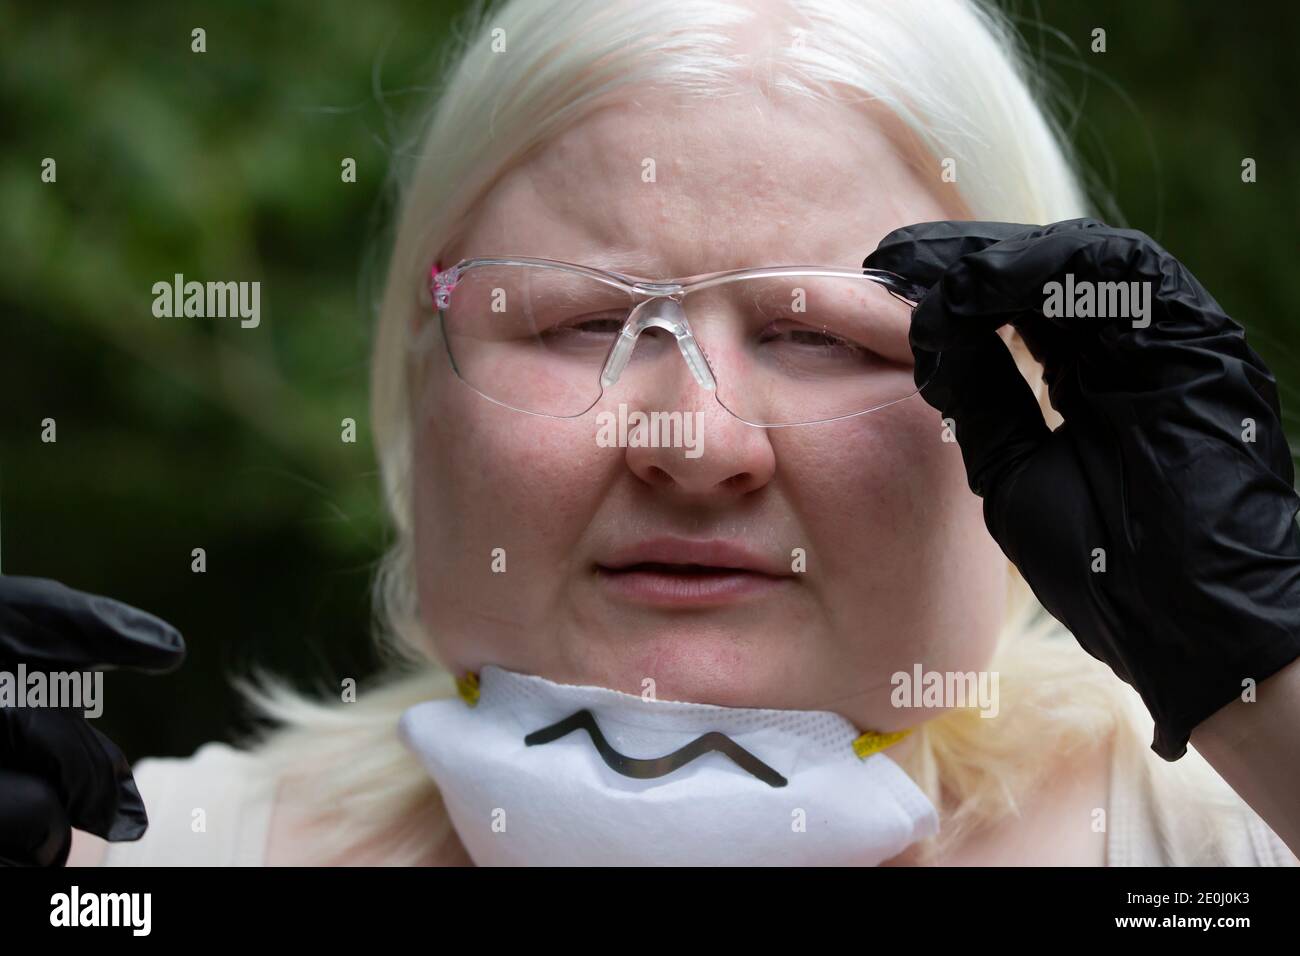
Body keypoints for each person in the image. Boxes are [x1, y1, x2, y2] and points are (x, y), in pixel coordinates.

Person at [7, 0, 1296, 866]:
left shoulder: (1220, 843)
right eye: (574, 322)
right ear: (418, 377)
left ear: (1038, 406)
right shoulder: (129, 858)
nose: (695, 442)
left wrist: (1266, 676)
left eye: (825, 338)